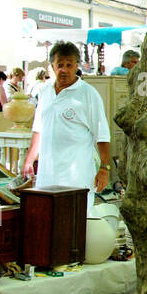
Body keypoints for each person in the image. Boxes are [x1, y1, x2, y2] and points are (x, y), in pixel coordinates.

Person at [21, 41, 111, 196]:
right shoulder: (44, 91)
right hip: (47, 174)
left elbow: (102, 134)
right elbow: (38, 129)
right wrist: (29, 160)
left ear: (77, 66)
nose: (64, 70)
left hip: (77, 177)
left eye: (69, 65)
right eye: (60, 64)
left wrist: (104, 168)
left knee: (75, 217)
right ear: (52, 66)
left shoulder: (88, 93)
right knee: (47, 215)